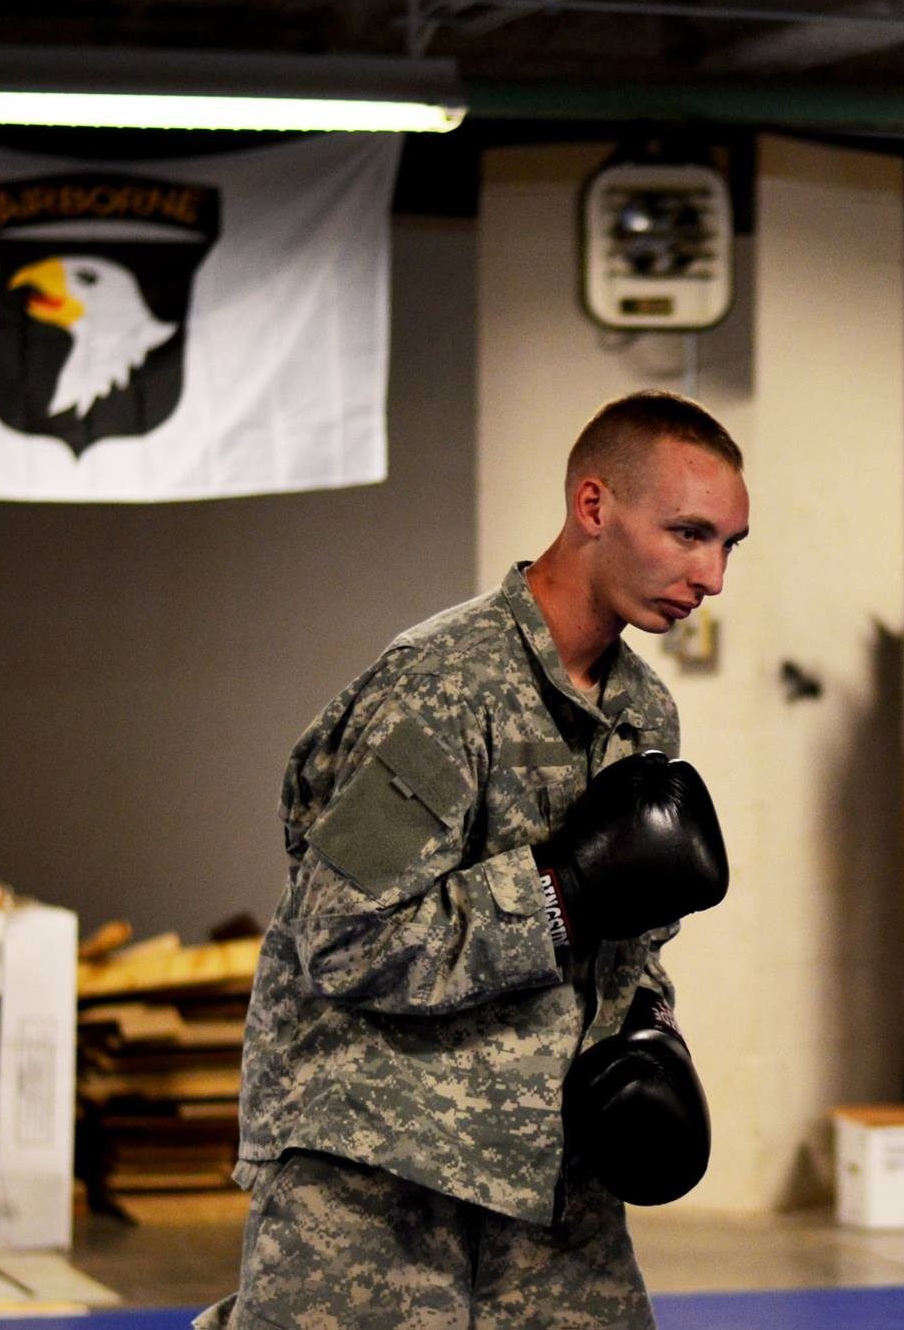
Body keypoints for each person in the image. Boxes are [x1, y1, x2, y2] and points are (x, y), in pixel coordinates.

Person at [196, 389, 750, 1330]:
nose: (712, 575)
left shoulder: (641, 713)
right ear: (593, 507)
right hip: (377, 1173)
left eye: (729, 544)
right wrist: (557, 891)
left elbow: (627, 934)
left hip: (546, 1170)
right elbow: (341, 935)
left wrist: (649, 1027)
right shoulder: (441, 686)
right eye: (688, 533)